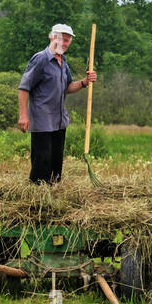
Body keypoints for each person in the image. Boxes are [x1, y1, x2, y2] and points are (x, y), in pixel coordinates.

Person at [17, 23, 97, 184]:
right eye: (62, 39)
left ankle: (53, 198)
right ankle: (37, 199)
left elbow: (67, 87)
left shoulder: (63, 62)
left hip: (59, 122)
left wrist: (84, 82)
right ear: (53, 37)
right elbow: (24, 88)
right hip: (42, 121)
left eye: (67, 41)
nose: (64, 44)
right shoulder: (40, 59)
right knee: (42, 166)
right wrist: (23, 115)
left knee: (56, 167)